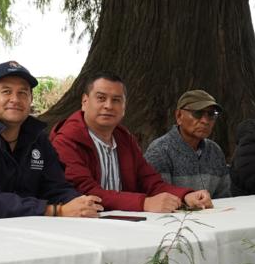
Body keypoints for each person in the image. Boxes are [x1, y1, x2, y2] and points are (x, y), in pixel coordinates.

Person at [0, 61, 102, 222]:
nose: (15, 99)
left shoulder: (37, 140)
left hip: (20, 233)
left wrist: (81, 204)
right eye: (6, 91)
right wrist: (56, 211)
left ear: (30, 100)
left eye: (22, 93)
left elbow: (56, 188)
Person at [51, 73, 212, 212]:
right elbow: (86, 191)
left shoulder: (124, 139)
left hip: (126, 223)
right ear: (85, 102)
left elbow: (150, 181)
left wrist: (186, 195)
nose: (108, 106)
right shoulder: (67, 139)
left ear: (124, 107)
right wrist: (145, 203)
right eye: (101, 98)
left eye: (116, 100)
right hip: (82, 225)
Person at [144, 90, 234, 198]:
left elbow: (224, 197)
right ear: (179, 116)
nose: (205, 121)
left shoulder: (215, 150)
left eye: (211, 114)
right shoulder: (160, 151)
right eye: (198, 113)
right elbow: (160, 198)